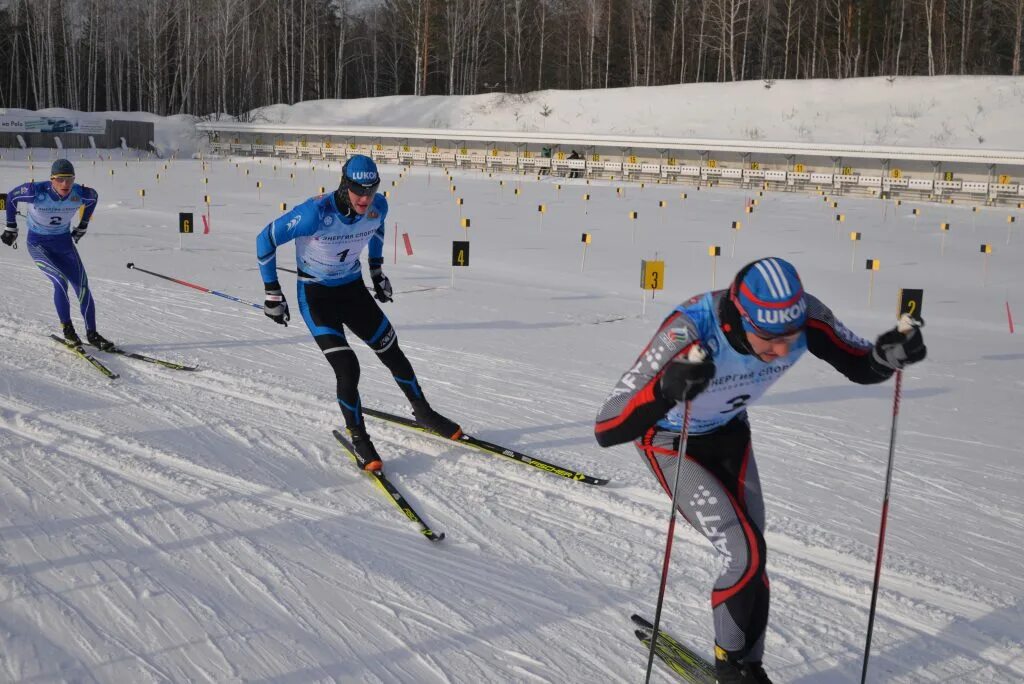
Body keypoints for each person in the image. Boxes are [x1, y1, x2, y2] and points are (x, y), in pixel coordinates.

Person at [594, 257, 926, 684]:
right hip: (670, 441)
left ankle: (748, 667)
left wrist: (888, 356)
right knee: (743, 552)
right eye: (769, 340)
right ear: (740, 317)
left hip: (731, 434)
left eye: (790, 338)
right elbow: (607, 425)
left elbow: (860, 363)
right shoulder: (691, 329)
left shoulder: (807, 315)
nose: (783, 350)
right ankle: (730, 669)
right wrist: (665, 390)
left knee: (753, 558)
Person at [256, 154, 461, 472]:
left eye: (372, 189)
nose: (366, 198)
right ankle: (359, 437)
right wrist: (272, 292)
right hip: (316, 295)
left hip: (352, 290)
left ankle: (423, 412)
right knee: (348, 368)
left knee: (393, 352)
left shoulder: (378, 206)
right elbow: (264, 239)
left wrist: (377, 272)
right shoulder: (314, 213)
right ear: (344, 185)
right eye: (359, 191)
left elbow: (378, 231)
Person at [3, 159, 114, 350]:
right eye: (60, 179)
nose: (65, 184)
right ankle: (68, 329)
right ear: (52, 179)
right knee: (60, 281)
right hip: (38, 244)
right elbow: (11, 197)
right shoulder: (35, 191)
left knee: (83, 287)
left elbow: (94, 198)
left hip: (64, 244)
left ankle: (93, 334)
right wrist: (11, 226)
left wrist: (83, 225)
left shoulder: (81, 193)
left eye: (69, 179)